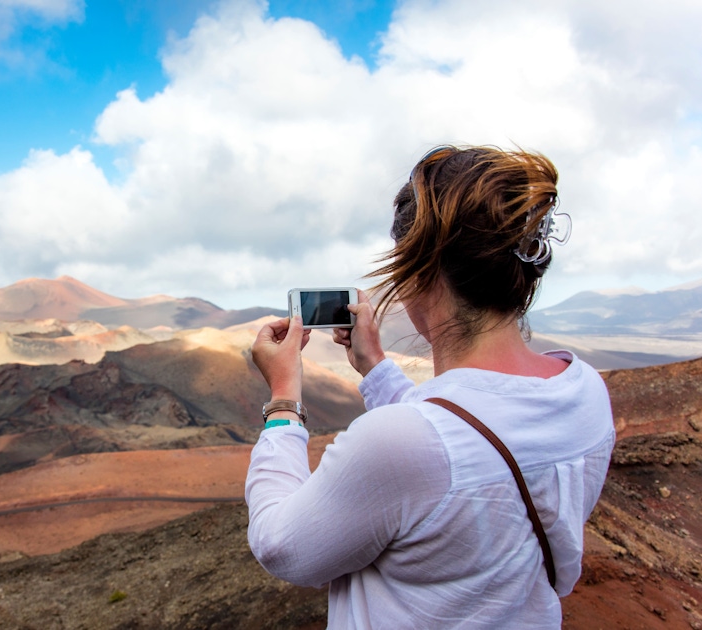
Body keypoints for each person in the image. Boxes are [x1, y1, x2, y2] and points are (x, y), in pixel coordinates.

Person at [245, 146, 615, 629]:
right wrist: (375, 368)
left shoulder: (399, 442)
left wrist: (283, 400)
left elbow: (282, 547)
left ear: (419, 269)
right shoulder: (584, 391)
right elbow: (457, 443)